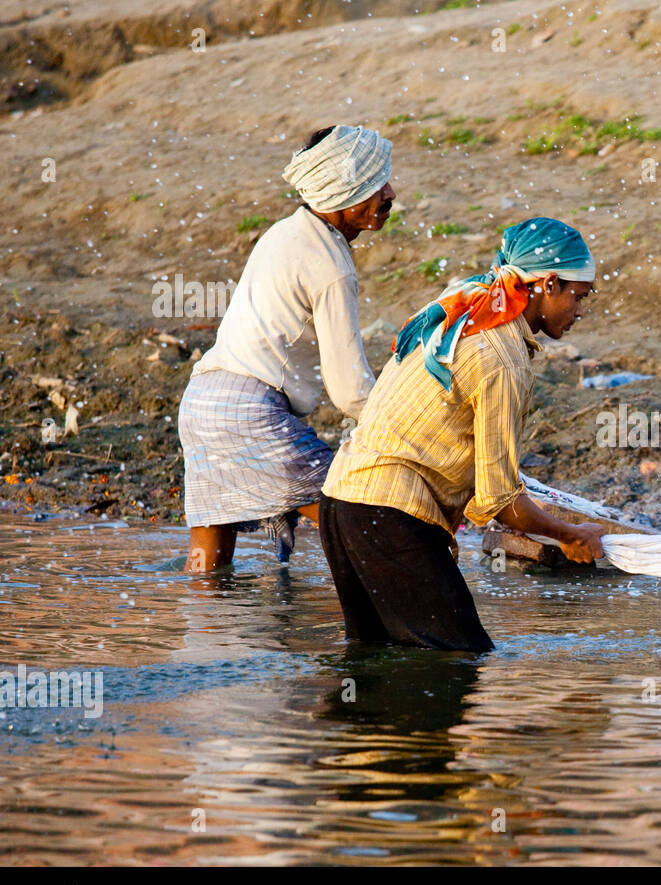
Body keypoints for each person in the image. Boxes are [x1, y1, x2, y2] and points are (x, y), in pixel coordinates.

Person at [319, 217, 606, 651]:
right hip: (389, 515)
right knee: (461, 660)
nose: (580, 311)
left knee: (376, 660)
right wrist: (569, 535)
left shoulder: (466, 305)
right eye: (578, 296)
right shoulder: (503, 357)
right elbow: (500, 500)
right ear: (548, 284)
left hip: (341, 503)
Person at [178, 124, 394, 571]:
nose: (390, 193)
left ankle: (206, 636)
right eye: (376, 185)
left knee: (207, 570)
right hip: (251, 414)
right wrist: (408, 424)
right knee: (354, 516)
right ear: (344, 193)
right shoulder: (332, 267)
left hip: (202, 402)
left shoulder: (283, 233)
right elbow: (350, 390)